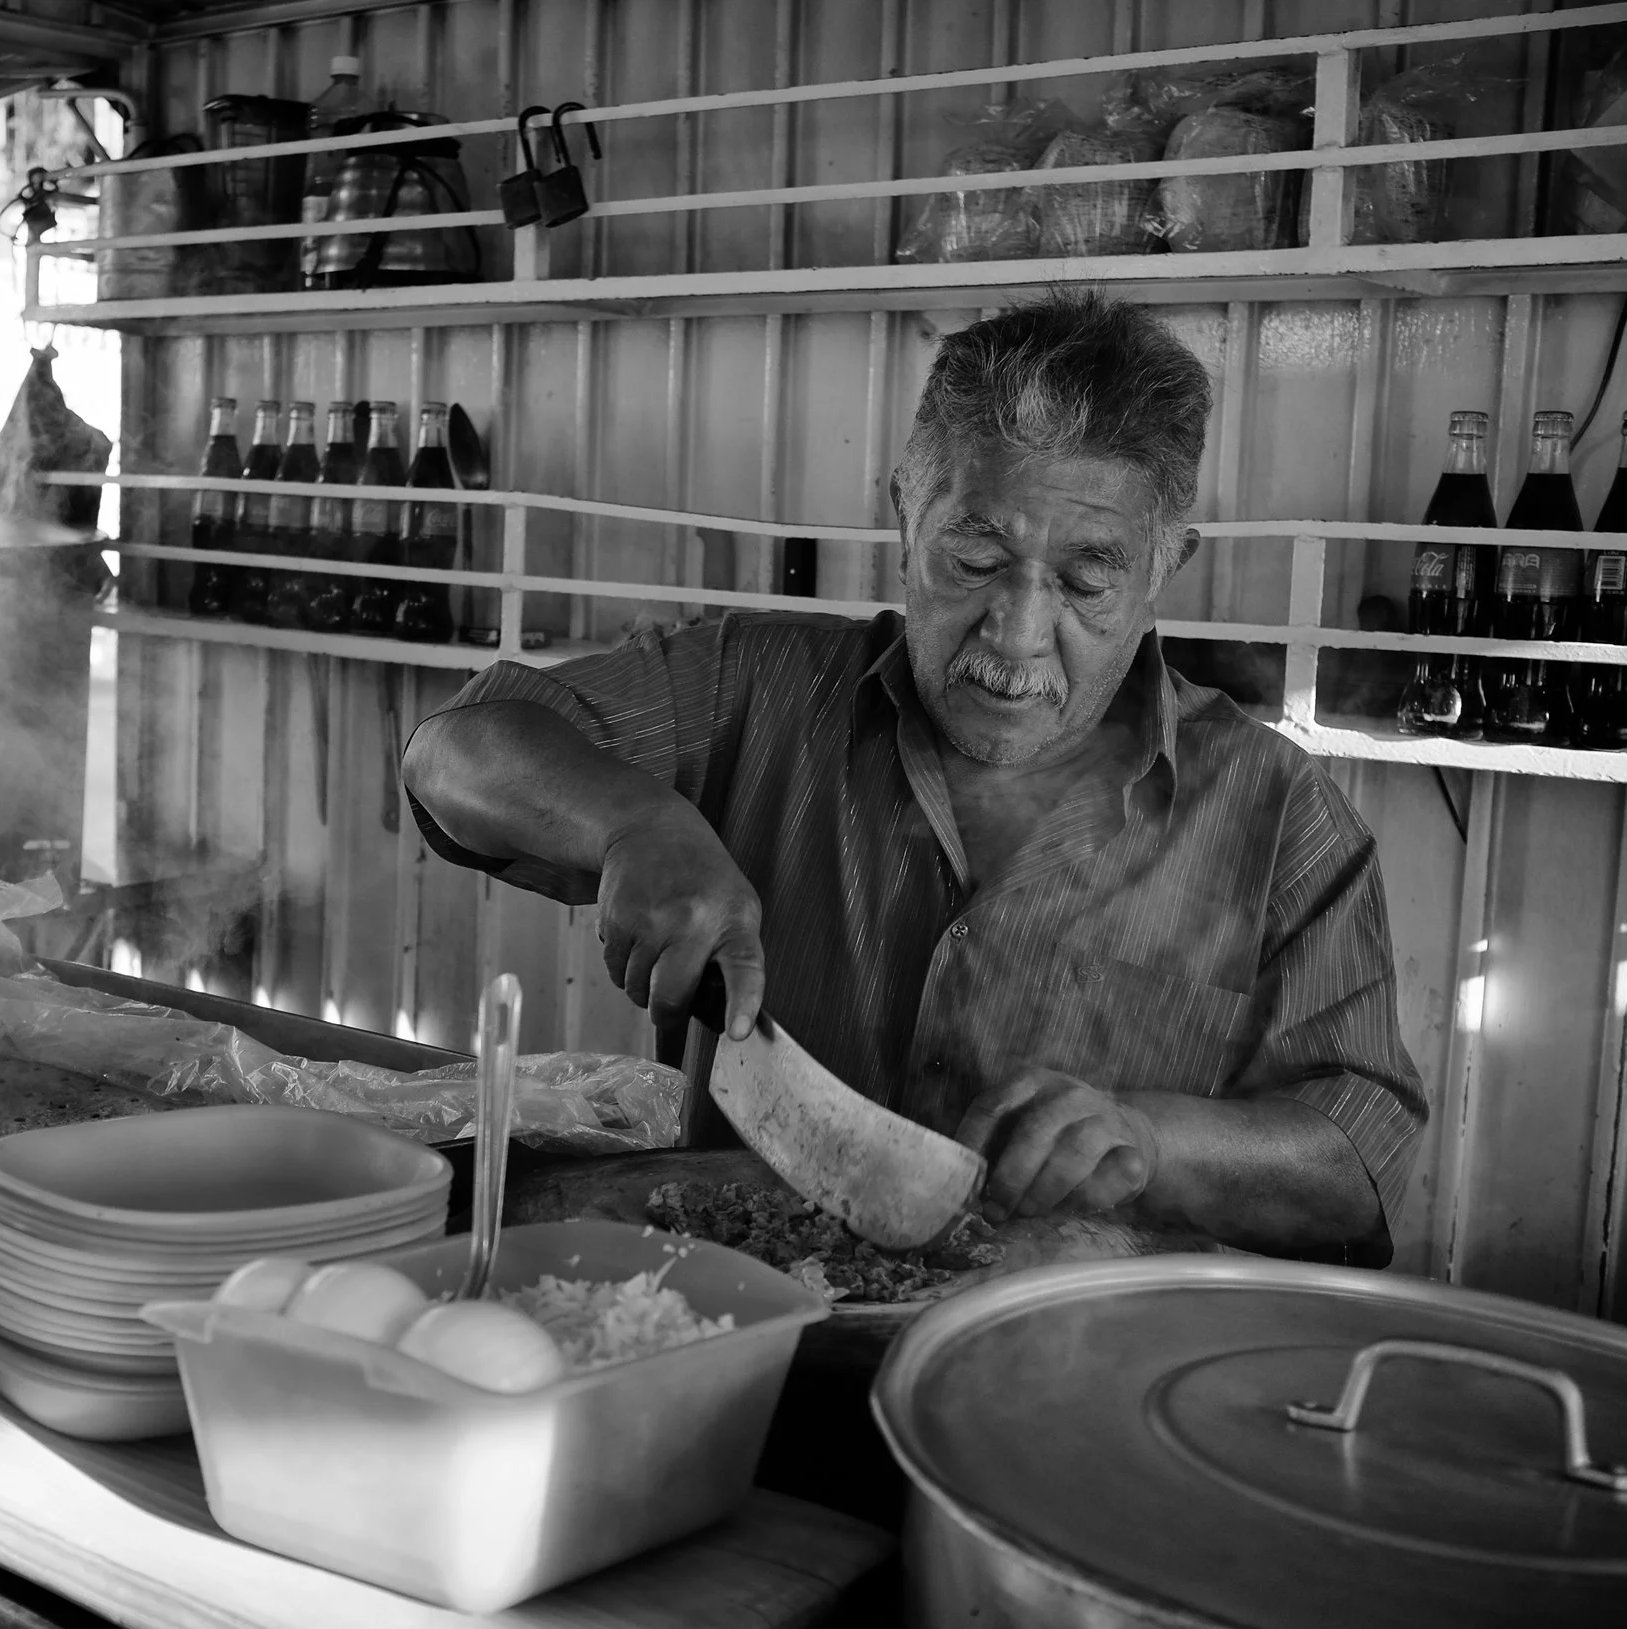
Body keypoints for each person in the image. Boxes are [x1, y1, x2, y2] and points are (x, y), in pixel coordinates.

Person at [402, 291, 1426, 1263]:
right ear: (905, 511)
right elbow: (454, 748)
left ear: (1164, 565)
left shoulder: (1279, 816)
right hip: (739, 1321)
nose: (1016, 633)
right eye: (973, 562)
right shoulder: (755, 687)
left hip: (1066, 1357)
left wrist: (1153, 1142)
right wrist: (631, 823)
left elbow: (1360, 1167)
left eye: (1085, 579)